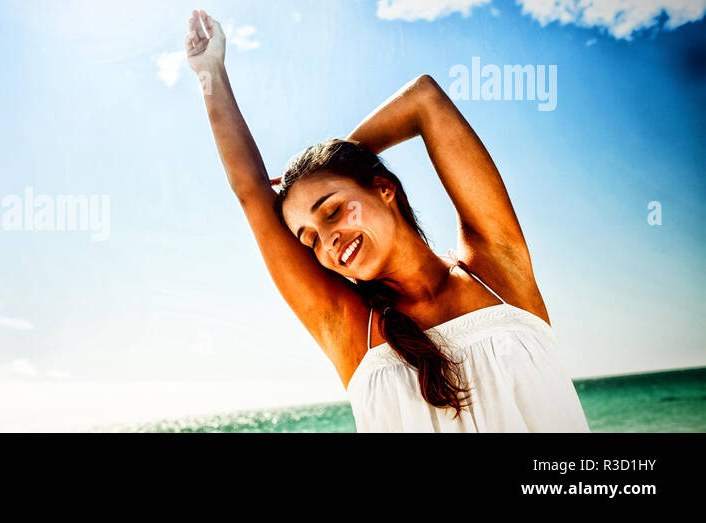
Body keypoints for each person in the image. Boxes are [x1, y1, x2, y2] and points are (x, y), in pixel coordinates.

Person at [184, 9, 590, 432]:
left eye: (333, 209)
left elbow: (423, 99)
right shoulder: (351, 328)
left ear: (383, 188)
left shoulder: (498, 270)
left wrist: (332, 161)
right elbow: (251, 192)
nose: (328, 242)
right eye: (309, 241)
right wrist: (209, 69)